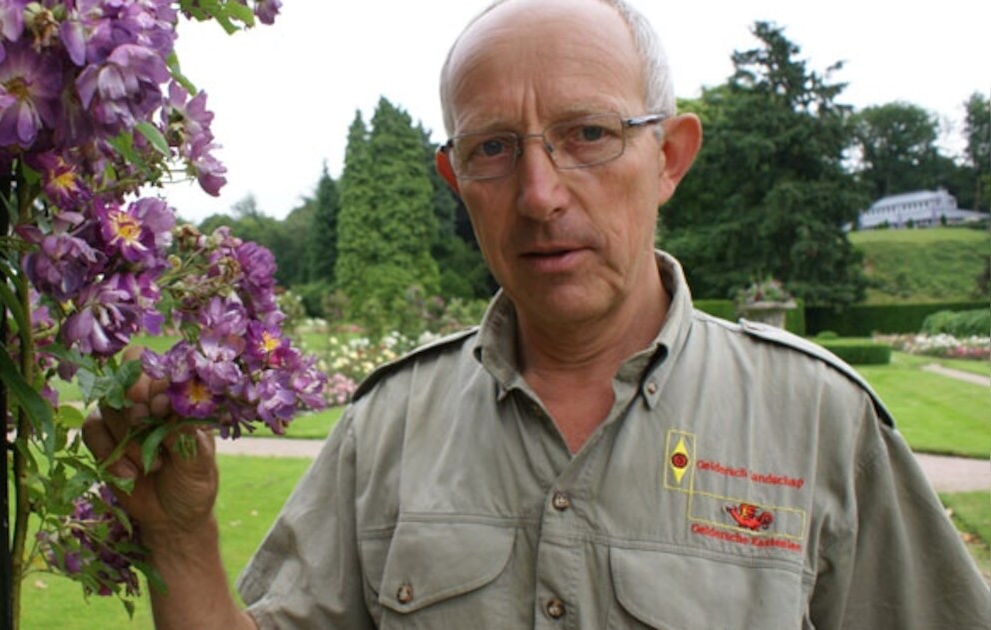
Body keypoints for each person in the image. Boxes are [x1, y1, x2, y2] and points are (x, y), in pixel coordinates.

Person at [82, 0, 991, 627]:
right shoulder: (388, 426)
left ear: (669, 155)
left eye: (588, 135)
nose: (539, 193)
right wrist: (179, 539)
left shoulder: (818, 421)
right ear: (455, 181)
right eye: (493, 149)